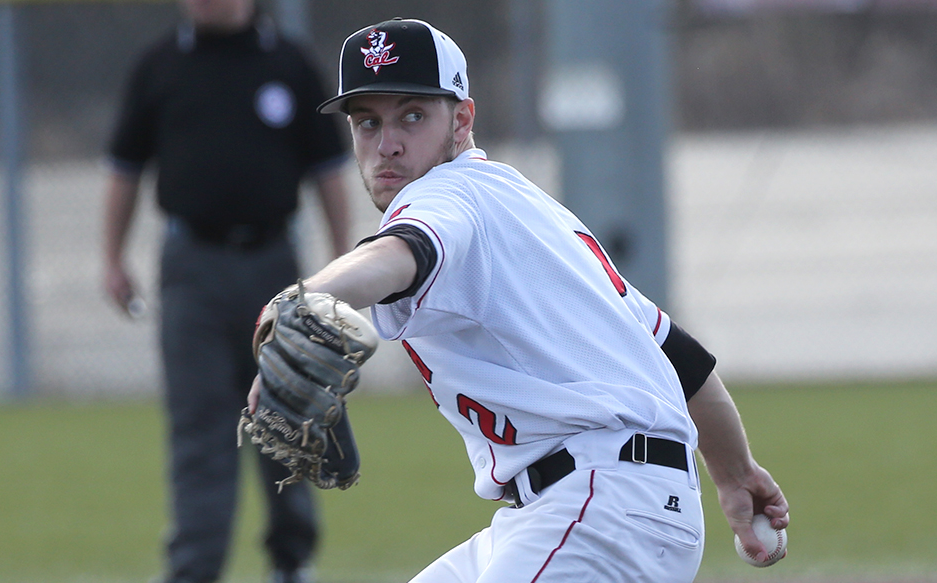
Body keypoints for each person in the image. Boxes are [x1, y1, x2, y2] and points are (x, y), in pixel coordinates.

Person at [249, 17, 790, 583]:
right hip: (591, 505)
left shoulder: (445, 196)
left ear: (462, 120)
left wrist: (298, 302)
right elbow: (678, 355)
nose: (387, 144)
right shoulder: (525, 210)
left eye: (412, 116)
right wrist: (735, 473)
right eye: (368, 122)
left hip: (601, 506)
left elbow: (403, 252)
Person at [101, 0, 351, 580]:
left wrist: (343, 259)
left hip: (276, 266)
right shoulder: (159, 66)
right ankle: (195, 568)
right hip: (192, 271)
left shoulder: (289, 63)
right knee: (199, 430)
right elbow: (124, 167)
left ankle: (292, 561)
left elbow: (329, 169)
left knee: (288, 420)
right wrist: (112, 258)